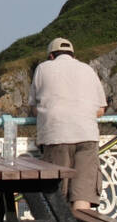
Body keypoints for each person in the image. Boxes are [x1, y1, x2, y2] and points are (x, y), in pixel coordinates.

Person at [26, 37, 107, 211]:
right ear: (73, 55)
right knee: (83, 193)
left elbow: (34, 107)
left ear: (51, 56)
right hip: (86, 135)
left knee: (59, 194)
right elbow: (101, 109)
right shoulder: (87, 69)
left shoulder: (42, 68)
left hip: (56, 135)